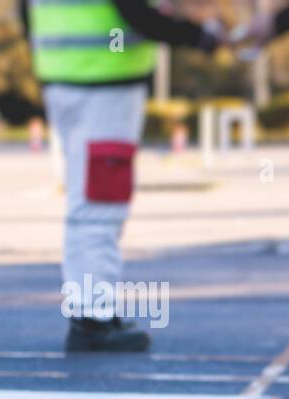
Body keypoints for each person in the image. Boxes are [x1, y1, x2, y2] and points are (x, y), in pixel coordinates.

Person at [21, 0, 224, 352]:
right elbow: (135, 10)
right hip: (104, 79)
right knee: (100, 200)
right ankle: (93, 317)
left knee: (86, 197)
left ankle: (91, 309)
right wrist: (198, 37)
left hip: (62, 75)